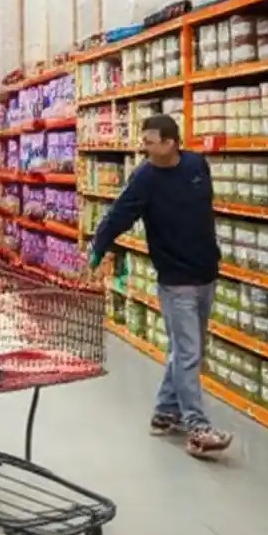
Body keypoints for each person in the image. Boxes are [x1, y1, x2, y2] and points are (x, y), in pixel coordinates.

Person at [87, 114, 233, 458]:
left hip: (205, 273)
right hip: (176, 280)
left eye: (150, 142)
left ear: (171, 143)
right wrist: (97, 251)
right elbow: (118, 215)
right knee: (187, 352)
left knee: (187, 351)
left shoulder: (197, 165)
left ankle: (165, 412)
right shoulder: (145, 178)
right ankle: (197, 427)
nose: (144, 147)